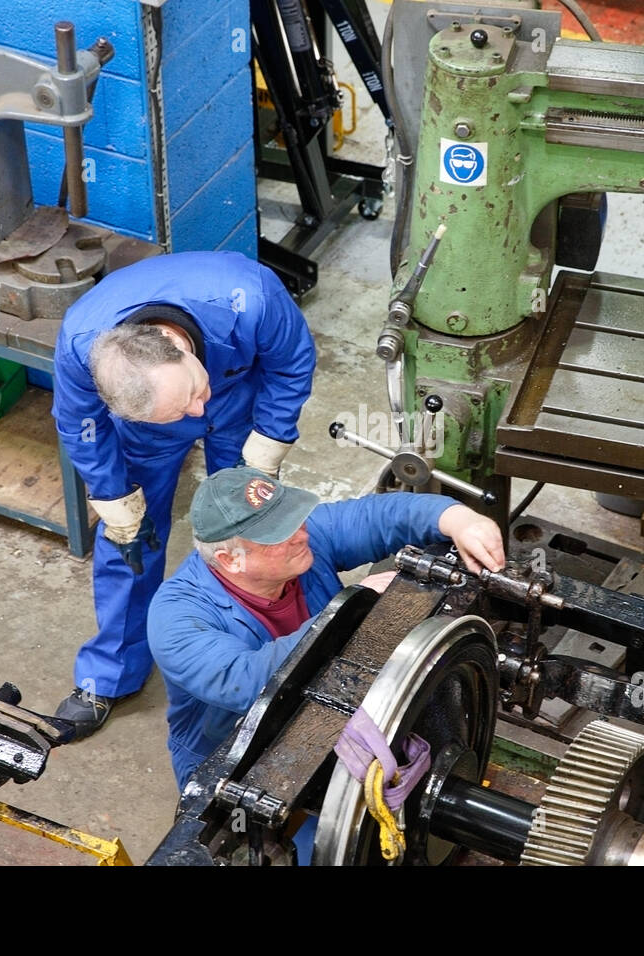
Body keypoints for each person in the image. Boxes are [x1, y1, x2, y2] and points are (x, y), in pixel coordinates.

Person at [51, 252, 317, 737]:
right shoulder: (81, 346)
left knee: (249, 532)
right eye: (183, 410)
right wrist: (115, 499)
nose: (197, 410)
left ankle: (256, 655)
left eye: (192, 391)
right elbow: (80, 424)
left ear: (178, 346)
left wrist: (270, 438)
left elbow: (292, 361)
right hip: (149, 433)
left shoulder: (250, 299)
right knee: (130, 541)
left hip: (238, 397)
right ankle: (109, 674)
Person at [146, 465, 506, 788]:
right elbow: (254, 682)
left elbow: (374, 517)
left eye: (294, 518)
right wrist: (349, 606)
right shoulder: (176, 619)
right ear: (231, 560)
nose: (301, 534)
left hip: (329, 709)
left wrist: (456, 518)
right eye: (279, 534)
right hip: (237, 757)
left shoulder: (302, 537)